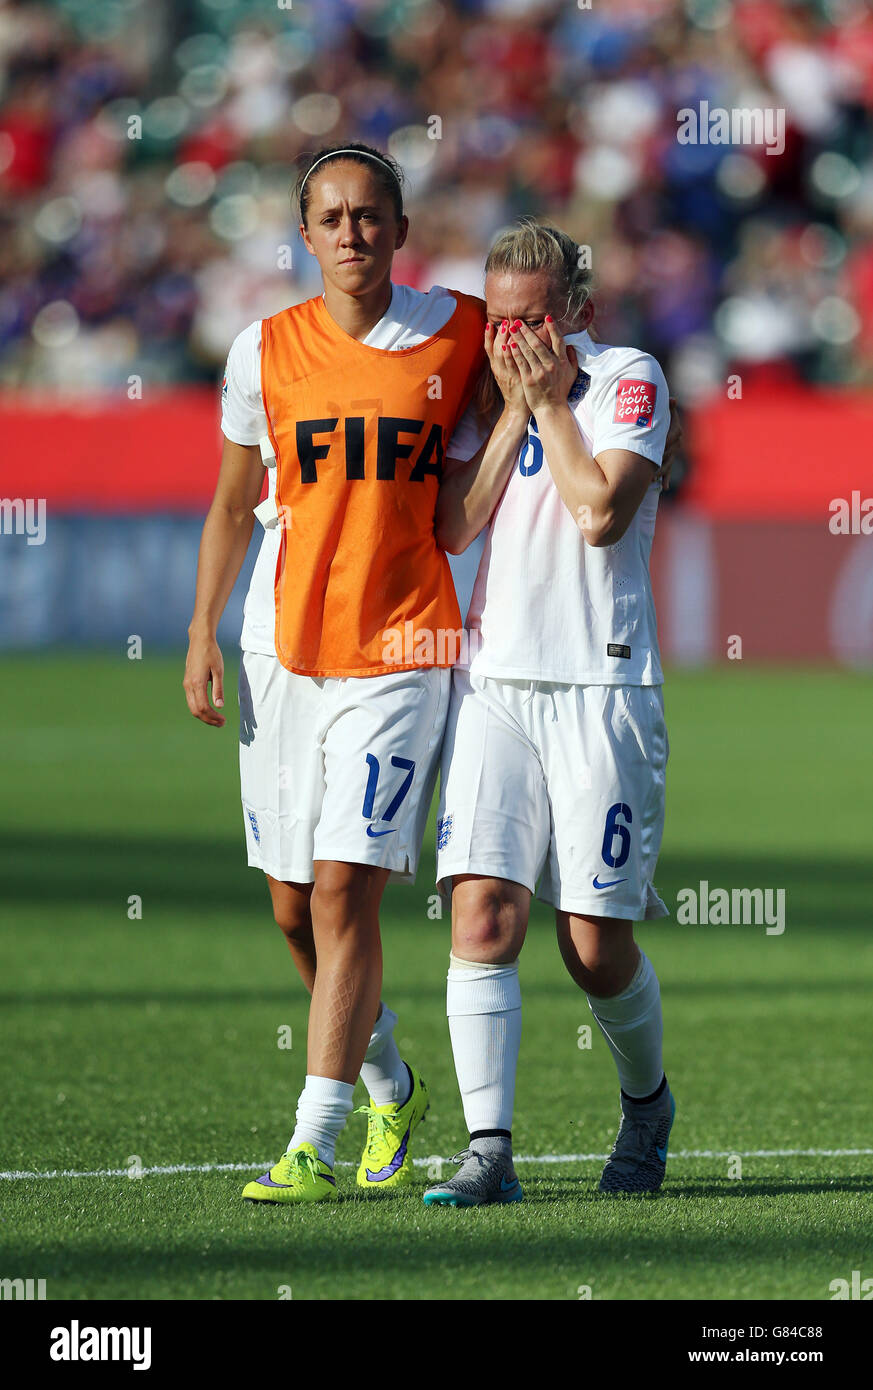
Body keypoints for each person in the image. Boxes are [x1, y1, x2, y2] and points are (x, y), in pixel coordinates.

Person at [183, 143, 526, 1204]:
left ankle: (313, 1140)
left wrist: (518, 413)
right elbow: (236, 502)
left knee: (345, 888)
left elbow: (459, 515)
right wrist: (200, 630)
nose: (350, 233)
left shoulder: (461, 333)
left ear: (401, 226)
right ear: (305, 233)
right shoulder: (263, 351)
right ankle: (391, 1082)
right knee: (293, 906)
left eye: (369, 215)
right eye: (329, 217)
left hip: (404, 648)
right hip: (281, 646)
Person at [424, 221, 678, 1207]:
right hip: (495, 684)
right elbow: (454, 525)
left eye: (531, 317)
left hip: (602, 689)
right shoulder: (486, 394)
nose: (512, 336)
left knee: (593, 945)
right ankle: (490, 1150)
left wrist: (548, 411)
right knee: (481, 914)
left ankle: (647, 1103)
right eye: (498, 319)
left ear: (574, 309)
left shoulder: (627, 379)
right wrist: (514, 413)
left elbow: (599, 512)